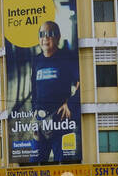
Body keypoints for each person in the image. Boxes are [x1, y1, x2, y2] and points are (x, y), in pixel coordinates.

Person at [29, 21, 81, 163]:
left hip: (60, 121)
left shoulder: (67, 58)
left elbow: (81, 83)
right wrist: (34, 111)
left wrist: (70, 104)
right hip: (40, 123)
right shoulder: (37, 60)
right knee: (34, 163)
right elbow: (34, 89)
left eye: (50, 34)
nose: (45, 38)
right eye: (42, 34)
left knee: (64, 164)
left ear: (57, 37)